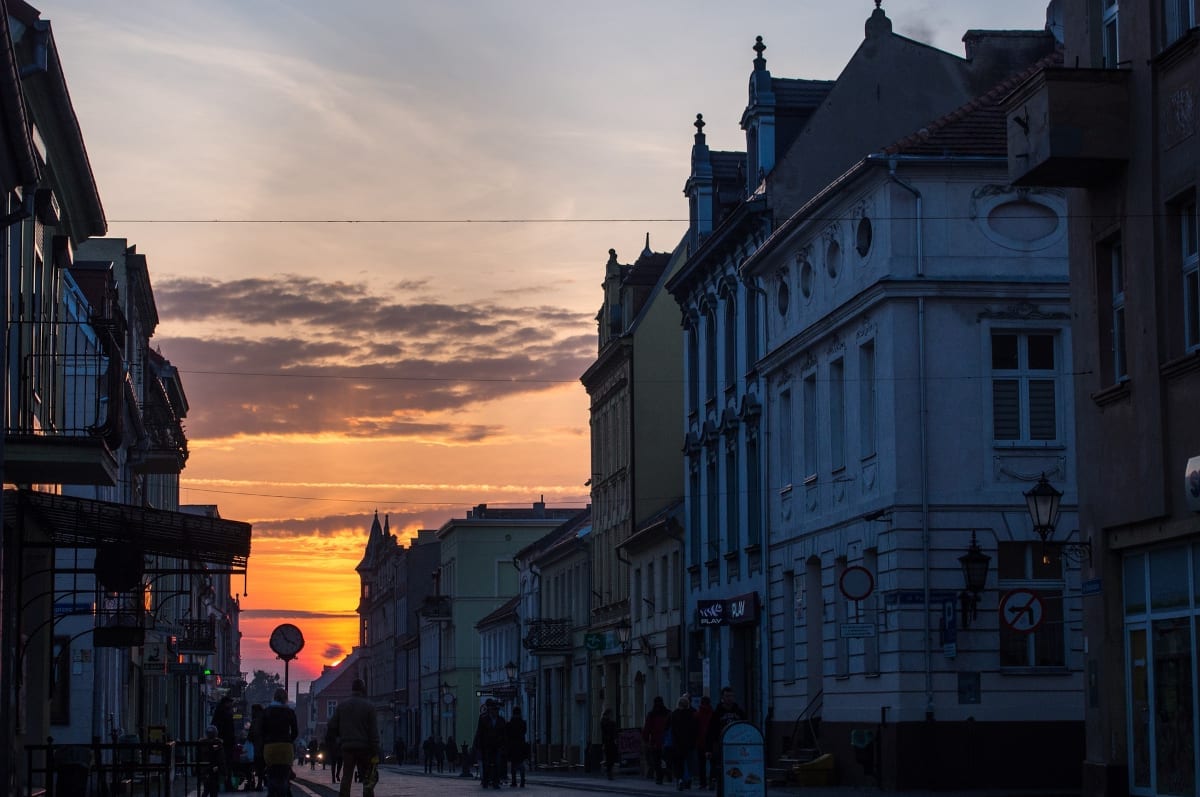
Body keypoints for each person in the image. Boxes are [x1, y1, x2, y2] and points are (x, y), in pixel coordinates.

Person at [327, 678, 381, 797]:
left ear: (352, 689)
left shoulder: (342, 706)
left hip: (347, 747)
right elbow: (373, 731)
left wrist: (338, 738)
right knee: (367, 778)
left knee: (346, 777)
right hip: (364, 748)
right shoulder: (369, 707)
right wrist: (375, 749)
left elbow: (331, 725)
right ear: (363, 690)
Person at [705, 687, 747, 796]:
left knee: (737, 768)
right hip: (721, 746)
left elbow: (746, 727)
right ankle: (720, 787)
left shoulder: (739, 712)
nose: (729, 698)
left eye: (731, 696)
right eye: (727, 696)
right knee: (721, 770)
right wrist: (709, 749)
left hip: (737, 746)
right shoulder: (717, 713)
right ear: (722, 698)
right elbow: (711, 732)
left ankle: (736, 789)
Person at [261, 688, 299, 797]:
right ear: (286, 699)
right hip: (285, 748)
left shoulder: (266, 712)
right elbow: (295, 732)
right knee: (284, 775)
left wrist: (266, 742)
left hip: (270, 747)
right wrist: (288, 740)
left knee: (272, 774)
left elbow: (261, 731)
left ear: (274, 698)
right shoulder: (290, 712)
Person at [473, 698, 507, 788]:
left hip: (497, 746)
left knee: (497, 764)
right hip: (486, 746)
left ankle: (496, 782)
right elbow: (480, 732)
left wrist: (503, 745)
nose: (495, 711)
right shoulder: (484, 719)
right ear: (490, 710)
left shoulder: (501, 720)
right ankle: (486, 781)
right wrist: (479, 745)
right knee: (486, 764)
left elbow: (504, 734)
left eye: (496, 710)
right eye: (493, 709)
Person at [667, 694, 698, 790]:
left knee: (678, 763)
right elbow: (695, 729)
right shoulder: (692, 714)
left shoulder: (674, 714)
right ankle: (688, 779)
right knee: (689, 763)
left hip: (677, 743)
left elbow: (670, 729)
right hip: (689, 743)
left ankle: (680, 779)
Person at [642, 696, 670, 785]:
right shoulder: (668, 713)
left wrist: (645, 739)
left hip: (655, 742)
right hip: (667, 741)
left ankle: (659, 778)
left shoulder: (651, 714)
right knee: (667, 759)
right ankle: (668, 775)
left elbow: (647, 728)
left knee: (657, 761)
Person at [211, 696, 237, 791]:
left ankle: (218, 783)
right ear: (226, 703)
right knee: (227, 764)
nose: (231, 705)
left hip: (220, 741)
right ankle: (227, 783)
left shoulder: (218, 712)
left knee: (219, 763)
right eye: (230, 703)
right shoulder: (226, 713)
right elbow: (230, 729)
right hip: (226, 742)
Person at [505, 706, 528, 787]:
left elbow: (507, 735)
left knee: (513, 764)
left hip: (512, 746)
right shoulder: (523, 723)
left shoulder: (509, 724)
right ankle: (522, 780)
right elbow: (524, 732)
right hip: (521, 746)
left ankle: (514, 781)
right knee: (521, 764)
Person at [694, 695, 713, 789]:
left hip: (700, 742)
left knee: (702, 764)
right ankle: (712, 781)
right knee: (713, 763)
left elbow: (694, 729)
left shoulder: (697, 714)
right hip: (712, 742)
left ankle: (703, 783)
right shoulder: (713, 714)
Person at [201, 725, 225, 797]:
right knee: (213, 789)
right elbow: (221, 758)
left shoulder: (202, 743)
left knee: (206, 788)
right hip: (215, 768)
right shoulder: (218, 743)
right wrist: (223, 770)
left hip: (205, 768)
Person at [247, 703, 265, 791]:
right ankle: (260, 782)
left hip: (258, 748)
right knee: (262, 767)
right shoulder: (265, 718)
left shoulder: (256, 721)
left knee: (258, 766)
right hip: (265, 747)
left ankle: (258, 783)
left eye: (253, 711)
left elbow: (251, 735)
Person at [600, 708, 618, 781]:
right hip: (608, 742)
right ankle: (609, 773)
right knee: (609, 758)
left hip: (610, 742)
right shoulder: (605, 722)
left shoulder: (609, 722)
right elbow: (607, 732)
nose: (611, 716)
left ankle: (609, 772)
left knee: (610, 758)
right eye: (610, 714)